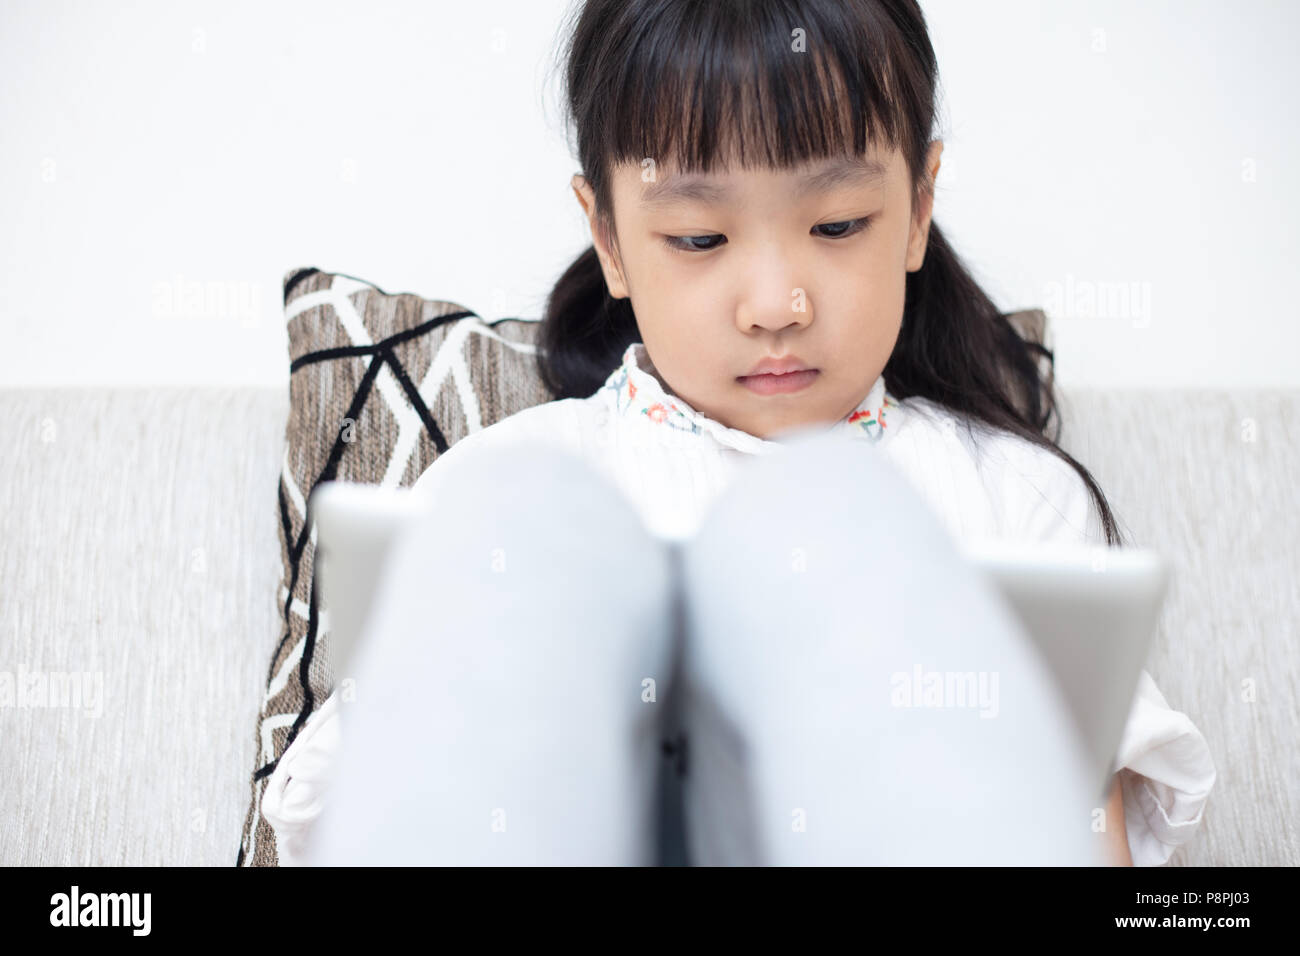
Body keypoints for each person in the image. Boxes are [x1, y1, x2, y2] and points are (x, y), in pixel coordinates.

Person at [261, 0, 1216, 866]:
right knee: (522, 524)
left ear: (919, 208)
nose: (775, 304)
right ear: (609, 240)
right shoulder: (504, 478)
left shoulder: (1013, 498)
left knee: (830, 508)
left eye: (838, 225)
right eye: (700, 240)